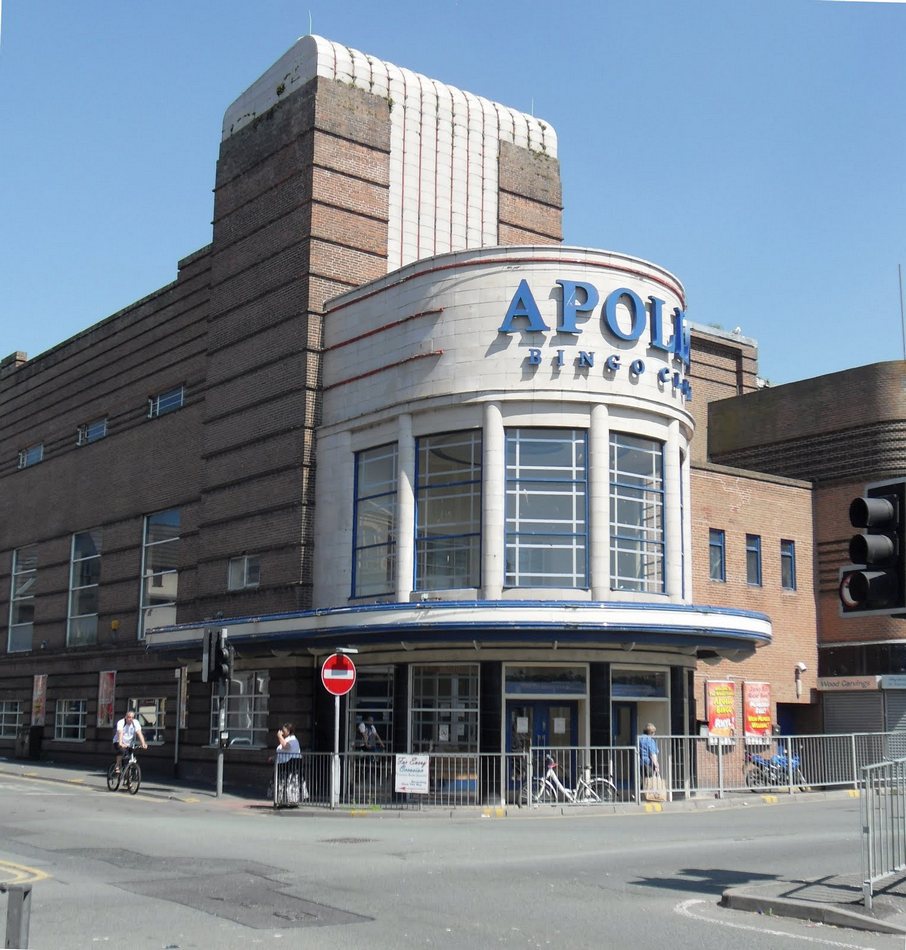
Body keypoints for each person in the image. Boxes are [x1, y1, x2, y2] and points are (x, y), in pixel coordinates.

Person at [275, 722, 302, 805]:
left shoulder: (292, 739)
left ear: (289, 731)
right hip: (283, 763)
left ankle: (288, 801)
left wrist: (279, 736)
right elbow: (282, 749)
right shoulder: (287, 739)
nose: (282, 732)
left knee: (288, 784)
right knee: (283, 783)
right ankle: (282, 800)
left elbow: (286, 747)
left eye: (284, 730)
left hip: (289, 765)